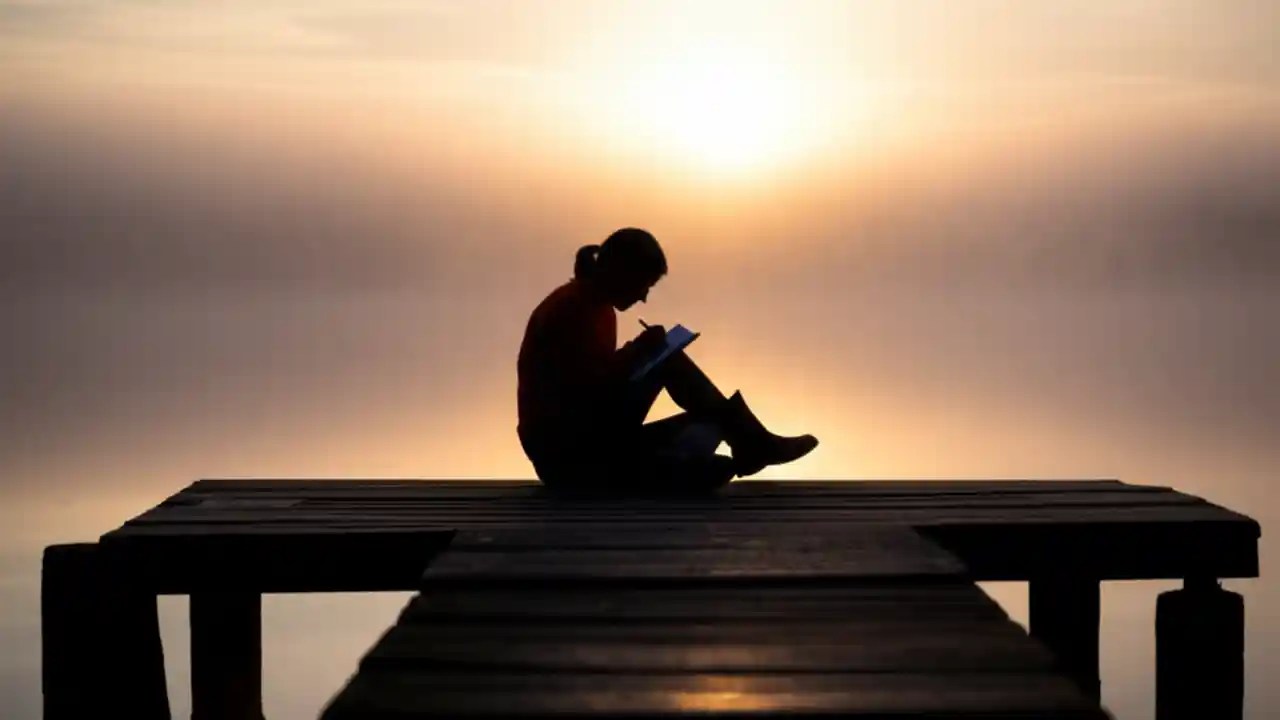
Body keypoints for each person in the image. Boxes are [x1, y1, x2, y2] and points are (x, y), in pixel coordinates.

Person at [516, 227, 818, 495]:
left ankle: (744, 445)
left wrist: (638, 352)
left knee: (710, 425)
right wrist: (640, 351)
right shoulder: (572, 308)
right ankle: (751, 443)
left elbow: (597, 379)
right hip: (568, 456)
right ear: (621, 272)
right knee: (670, 364)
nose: (644, 297)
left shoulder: (598, 307)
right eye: (643, 284)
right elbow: (585, 392)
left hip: (592, 442)